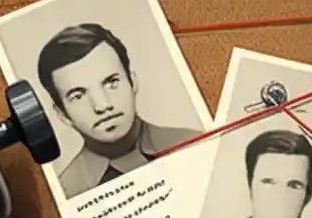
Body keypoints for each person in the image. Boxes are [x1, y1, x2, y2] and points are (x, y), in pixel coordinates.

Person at [37, 23, 196, 199]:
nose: (102, 106)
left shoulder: (195, 144)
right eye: (78, 95)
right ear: (62, 114)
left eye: (111, 83)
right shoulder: (66, 195)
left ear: (132, 82)